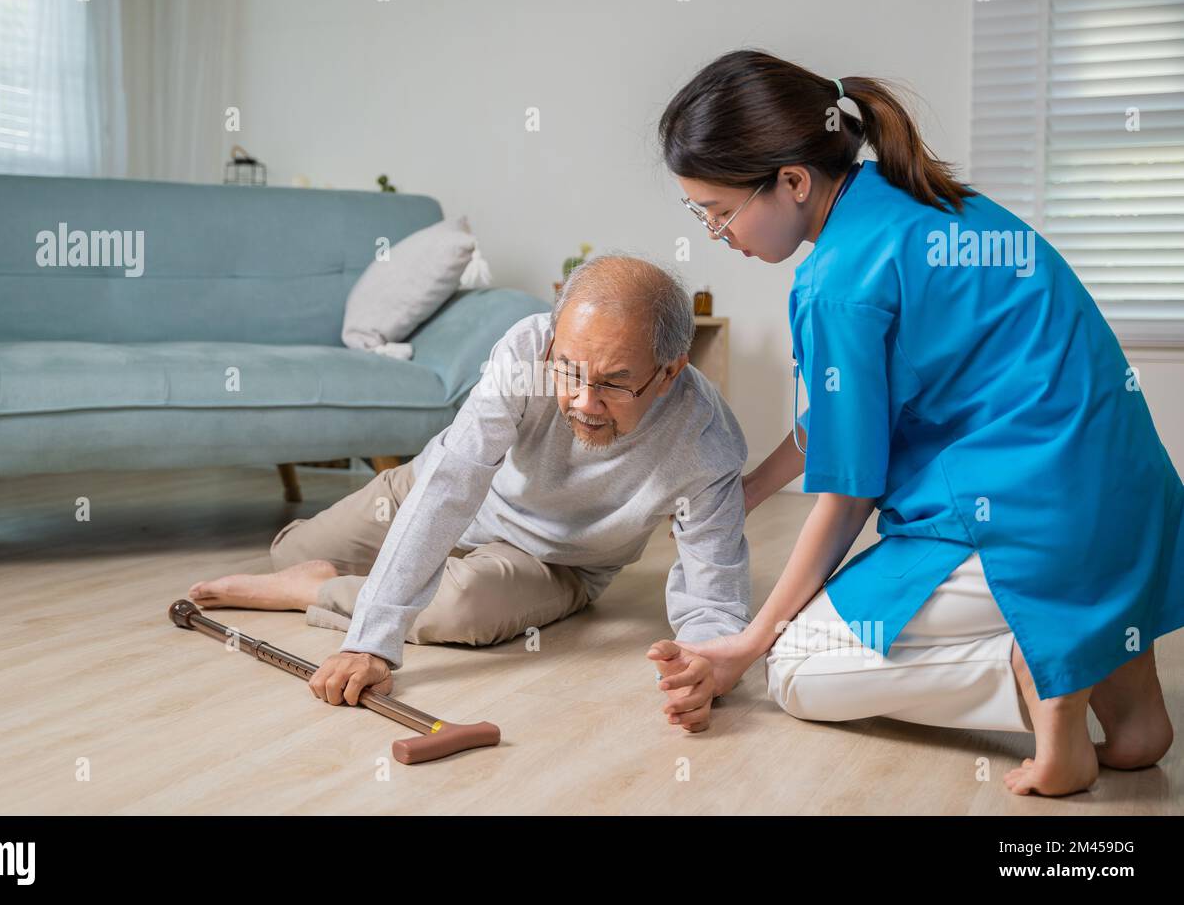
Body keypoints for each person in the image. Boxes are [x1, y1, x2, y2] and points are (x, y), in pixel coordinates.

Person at [647, 49, 1181, 796]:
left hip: (1026, 516)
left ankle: (1039, 667)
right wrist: (744, 494)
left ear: (793, 182)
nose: (714, 232)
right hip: (1124, 495)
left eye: (718, 210)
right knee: (1136, 739)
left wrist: (747, 642)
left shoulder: (836, 281)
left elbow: (848, 497)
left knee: (797, 666)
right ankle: (1129, 715)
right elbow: (843, 413)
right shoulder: (919, 202)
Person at [191, 255, 752, 728]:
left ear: (672, 370)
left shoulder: (707, 441)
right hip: (451, 493)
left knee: (462, 608)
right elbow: (450, 488)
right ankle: (312, 574)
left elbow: (714, 597)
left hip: (555, 560)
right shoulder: (525, 349)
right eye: (569, 372)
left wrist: (704, 662)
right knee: (289, 549)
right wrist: (372, 637)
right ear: (553, 342)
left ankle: (316, 592)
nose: (583, 401)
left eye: (611, 384)